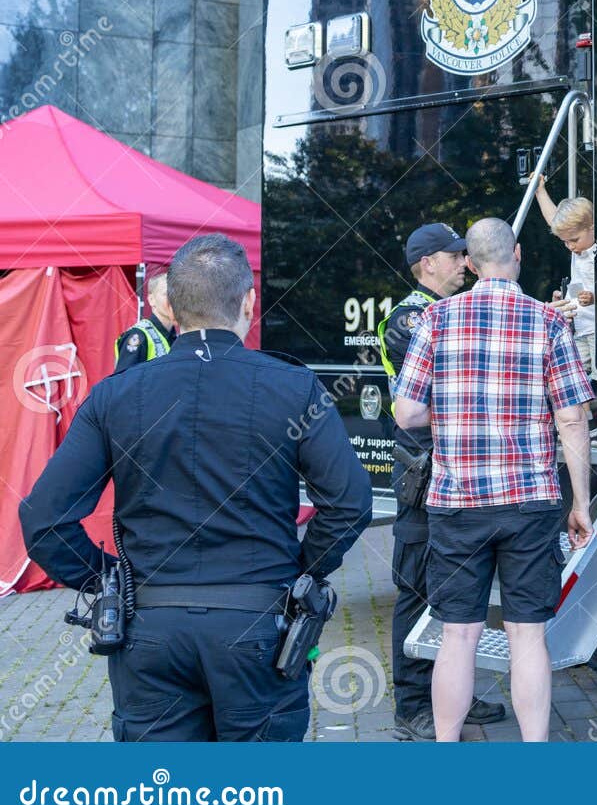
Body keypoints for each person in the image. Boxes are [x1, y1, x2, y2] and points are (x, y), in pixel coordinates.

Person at [19, 234, 373, 741]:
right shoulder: (295, 388)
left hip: (151, 629)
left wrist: (109, 581)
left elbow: (44, 518)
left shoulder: (116, 395)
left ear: (172, 307)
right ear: (249, 302)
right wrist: (300, 569)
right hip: (258, 626)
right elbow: (350, 503)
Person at [393, 217, 595, 742]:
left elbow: (406, 412)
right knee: (528, 636)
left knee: (457, 635)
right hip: (530, 501)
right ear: (519, 254)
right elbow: (572, 417)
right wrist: (581, 503)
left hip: (457, 501)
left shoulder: (435, 318)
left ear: (471, 263)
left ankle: (444, 748)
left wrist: (455, 413)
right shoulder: (549, 322)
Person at [377, 222, 506, 740]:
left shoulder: (448, 313)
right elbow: (441, 388)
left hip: (456, 472)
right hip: (422, 472)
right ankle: (412, 706)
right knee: (416, 588)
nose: (463, 263)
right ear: (427, 263)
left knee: (459, 591)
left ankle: (452, 691)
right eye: (454, 256)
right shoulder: (408, 318)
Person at [534, 177, 597, 443]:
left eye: (573, 239)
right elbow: (555, 220)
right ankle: (585, 422)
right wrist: (540, 191)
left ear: (592, 227)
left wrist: (595, 297)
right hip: (579, 324)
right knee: (574, 375)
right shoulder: (577, 247)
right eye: (565, 242)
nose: (570, 246)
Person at [112, 270, 175, 373]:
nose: (172, 298)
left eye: (176, 293)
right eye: (166, 293)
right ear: (151, 300)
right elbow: (125, 383)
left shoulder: (177, 336)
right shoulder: (138, 336)